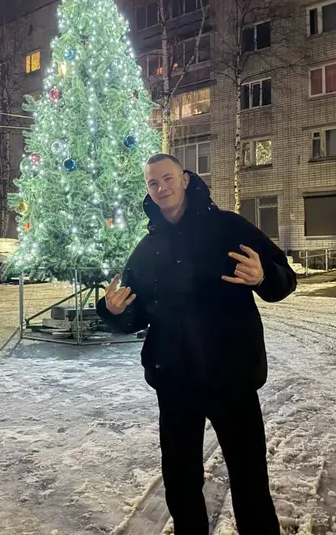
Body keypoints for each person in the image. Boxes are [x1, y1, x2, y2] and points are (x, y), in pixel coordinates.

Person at [96, 153, 296, 535]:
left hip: (232, 378)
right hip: (175, 381)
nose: (161, 188)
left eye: (167, 178)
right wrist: (114, 310)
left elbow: (284, 278)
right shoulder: (147, 248)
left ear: (185, 179)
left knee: (250, 482)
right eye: (153, 183)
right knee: (180, 481)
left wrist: (263, 276)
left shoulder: (227, 227)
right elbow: (135, 314)